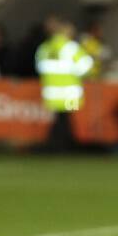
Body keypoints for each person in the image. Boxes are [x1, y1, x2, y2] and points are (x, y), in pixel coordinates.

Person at [35, 16, 93, 152]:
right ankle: (63, 145)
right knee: (65, 118)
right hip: (69, 93)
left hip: (51, 93)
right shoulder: (70, 47)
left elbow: (39, 67)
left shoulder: (45, 47)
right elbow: (86, 66)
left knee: (61, 118)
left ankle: (59, 144)